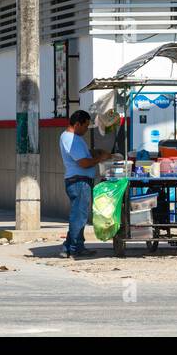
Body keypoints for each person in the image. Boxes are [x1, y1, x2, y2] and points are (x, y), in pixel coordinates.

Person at [59, 110, 111, 258]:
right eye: (85, 126)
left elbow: (84, 154)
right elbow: (83, 162)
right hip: (79, 181)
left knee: (78, 215)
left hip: (80, 181)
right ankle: (73, 248)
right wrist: (100, 158)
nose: (87, 129)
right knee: (79, 216)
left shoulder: (73, 137)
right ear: (77, 124)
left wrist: (95, 152)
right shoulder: (70, 139)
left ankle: (71, 247)